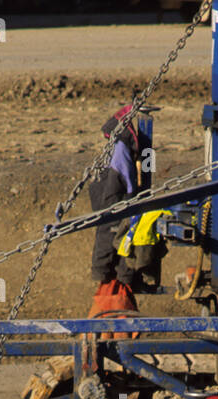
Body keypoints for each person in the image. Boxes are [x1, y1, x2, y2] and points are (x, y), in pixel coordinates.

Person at [89, 105, 142, 316]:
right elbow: (127, 187)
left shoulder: (112, 152)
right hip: (114, 221)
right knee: (116, 241)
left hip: (111, 227)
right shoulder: (119, 154)